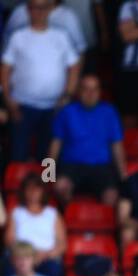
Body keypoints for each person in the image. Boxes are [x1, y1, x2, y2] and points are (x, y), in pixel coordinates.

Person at [1, 0, 82, 162]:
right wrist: (8, 99)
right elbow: (4, 69)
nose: (39, 12)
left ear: (49, 11)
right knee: (18, 153)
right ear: (28, 10)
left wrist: (67, 94)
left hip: (53, 108)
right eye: (35, 8)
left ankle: (47, 184)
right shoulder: (18, 37)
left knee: (49, 156)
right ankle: (18, 186)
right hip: (22, 106)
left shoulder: (61, 36)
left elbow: (75, 66)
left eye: (43, 8)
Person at [49, 73, 126, 205]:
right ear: (79, 91)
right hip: (72, 166)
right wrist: (47, 174)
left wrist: (123, 176)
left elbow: (117, 146)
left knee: (112, 196)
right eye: (86, 89)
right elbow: (55, 144)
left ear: (100, 92)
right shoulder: (67, 112)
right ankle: (66, 222)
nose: (90, 93)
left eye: (94, 89)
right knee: (60, 187)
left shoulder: (109, 112)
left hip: (101, 168)